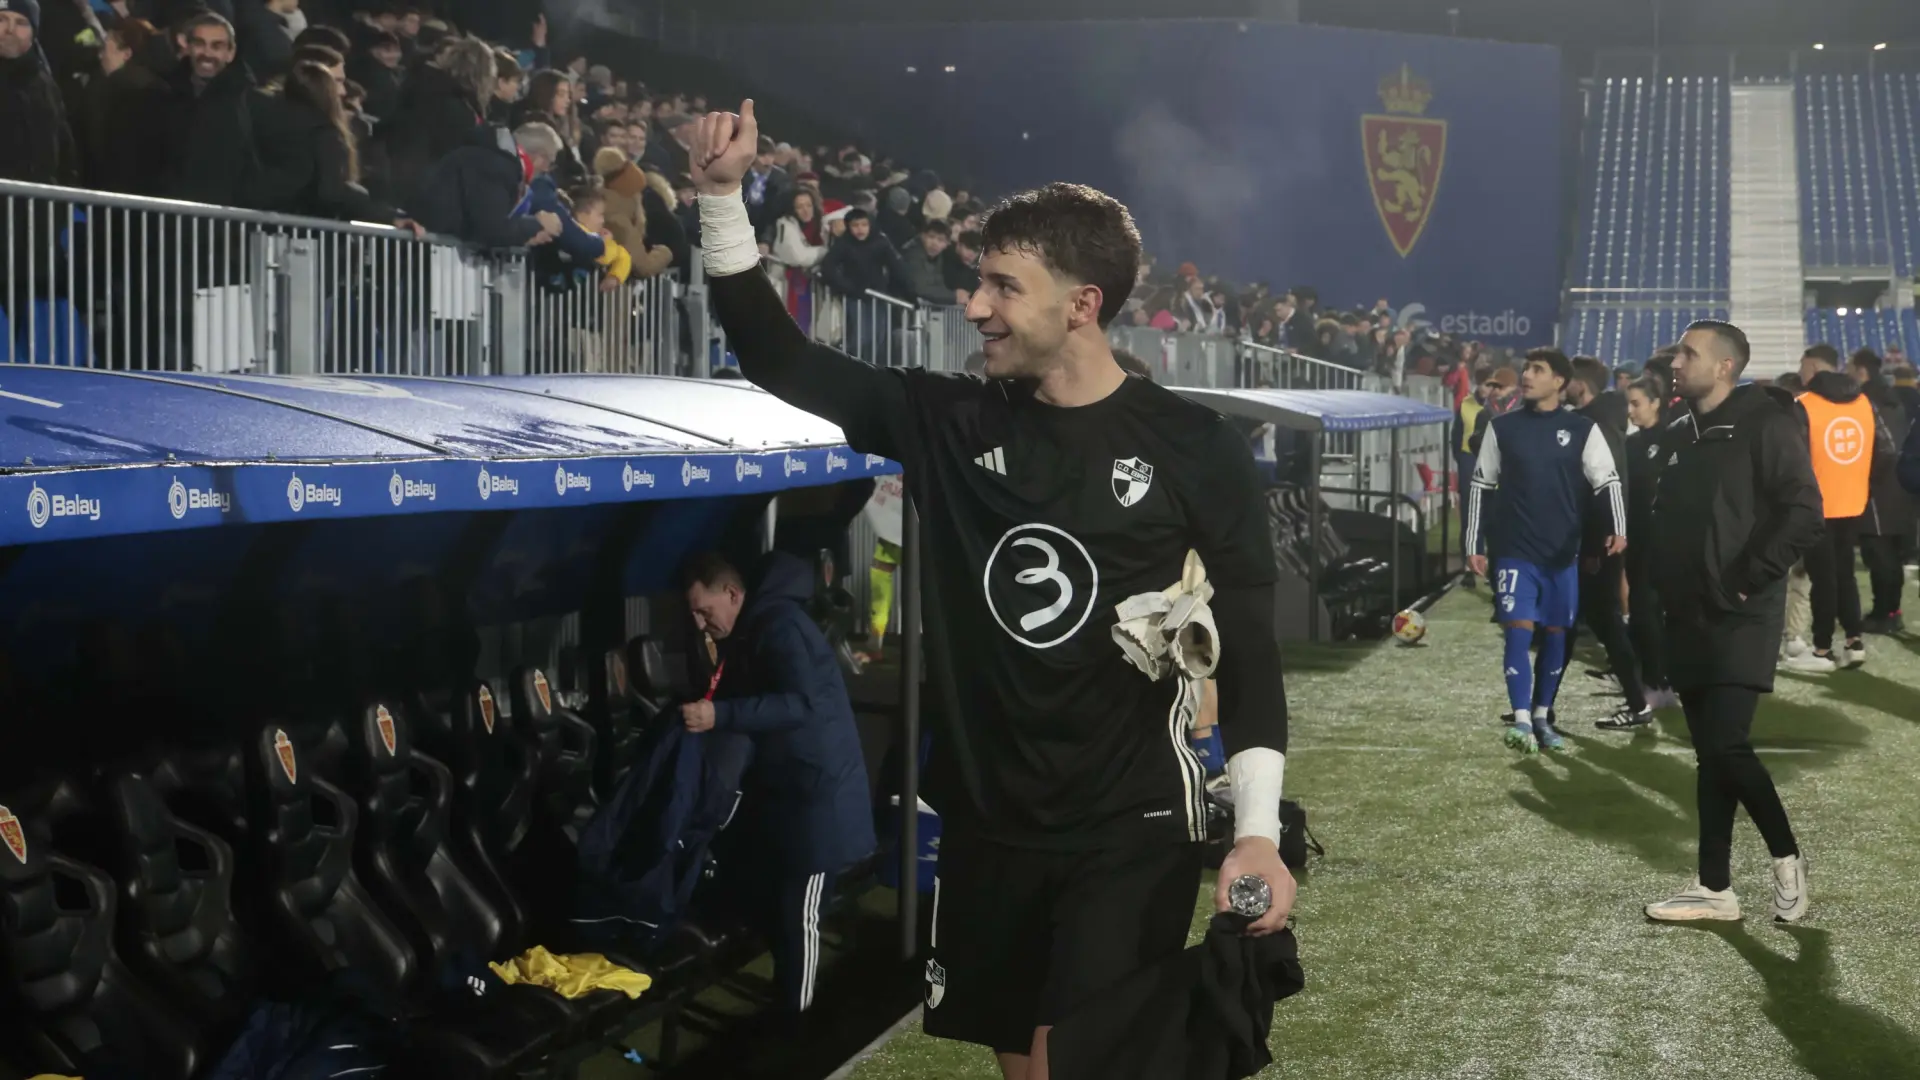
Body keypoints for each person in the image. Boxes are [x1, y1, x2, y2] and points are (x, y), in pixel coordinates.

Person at [690, 100, 1294, 1080]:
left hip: (1128, 824)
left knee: (1084, 1065)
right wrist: (722, 199)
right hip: (987, 825)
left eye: (1004, 286)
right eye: (979, 281)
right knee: (1022, 1064)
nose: (975, 307)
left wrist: (1257, 835)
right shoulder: (948, 422)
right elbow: (778, 356)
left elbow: (1255, 650)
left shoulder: (1196, 448)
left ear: (1082, 304)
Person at [1644, 320, 1819, 923]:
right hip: (1685, 609)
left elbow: (1804, 513)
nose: (1675, 362)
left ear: (1724, 366)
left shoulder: (1766, 423)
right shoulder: (1681, 431)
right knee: (1710, 753)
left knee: (1725, 744)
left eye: (1688, 354)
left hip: (1741, 610)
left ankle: (1786, 858)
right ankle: (1714, 887)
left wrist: (1744, 579)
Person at [680, 551, 876, 1016]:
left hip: (818, 795)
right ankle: (786, 1008)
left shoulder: (780, 625)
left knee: (799, 914)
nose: (700, 624)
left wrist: (718, 714)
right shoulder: (753, 629)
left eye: (704, 612)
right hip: (790, 791)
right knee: (776, 901)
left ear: (732, 594)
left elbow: (799, 704)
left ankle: (796, 1026)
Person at [1465, 348, 1625, 754]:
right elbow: (1481, 485)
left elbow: (1608, 481)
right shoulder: (1502, 427)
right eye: (1526, 369)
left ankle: (1541, 715)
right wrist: (1474, 543)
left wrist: (1618, 528)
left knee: (1556, 633)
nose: (1527, 375)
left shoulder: (1582, 429)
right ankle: (1521, 720)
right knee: (1518, 630)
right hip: (1514, 549)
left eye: (1537, 370)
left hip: (1562, 553)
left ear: (1559, 381)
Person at [1782, 344, 1893, 672]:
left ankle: (1821, 650)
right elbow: (1887, 450)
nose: (1801, 373)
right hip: (1853, 502)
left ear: (1814, 368)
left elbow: (1791, 459)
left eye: (1803, 366)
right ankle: (1853, 642)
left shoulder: (1804, 405)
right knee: (1844, 573)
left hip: (1816, 505)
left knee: (1822, 578)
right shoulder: (1864, 403)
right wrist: (1863, 481)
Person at [1563, 355, 1658, 728]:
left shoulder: (1597, 427)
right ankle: (1539, 705)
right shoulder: (1600, 423)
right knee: (1570, 623)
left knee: (1602, 621)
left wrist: (1593, 547)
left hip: (1598, 544)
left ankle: (1638, 702)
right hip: (1597, 541)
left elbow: (1606, 489)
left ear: (1580, 385)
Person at [1598, 377, 1676, 730]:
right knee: (1644, 614)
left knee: (1651, 613)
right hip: (1638, 541)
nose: (1630, 411)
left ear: (1656, 402)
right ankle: (1656, 682)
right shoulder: (1632, 443)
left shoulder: (1673, 440)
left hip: (1666, 541)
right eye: (1628, 404)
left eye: (1636, 403)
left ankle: (1660, 684)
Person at [1847, 349, 1912, 635]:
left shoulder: (1866, 400)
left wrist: (1867, 479)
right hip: (1901, 487)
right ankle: (1891, 611)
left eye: (1849, 368)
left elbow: (1884, 449)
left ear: (1861, 371)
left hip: (1879, 490)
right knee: (1891, 555)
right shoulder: (1892, 398)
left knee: (1879, 554)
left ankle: (1883, 613)